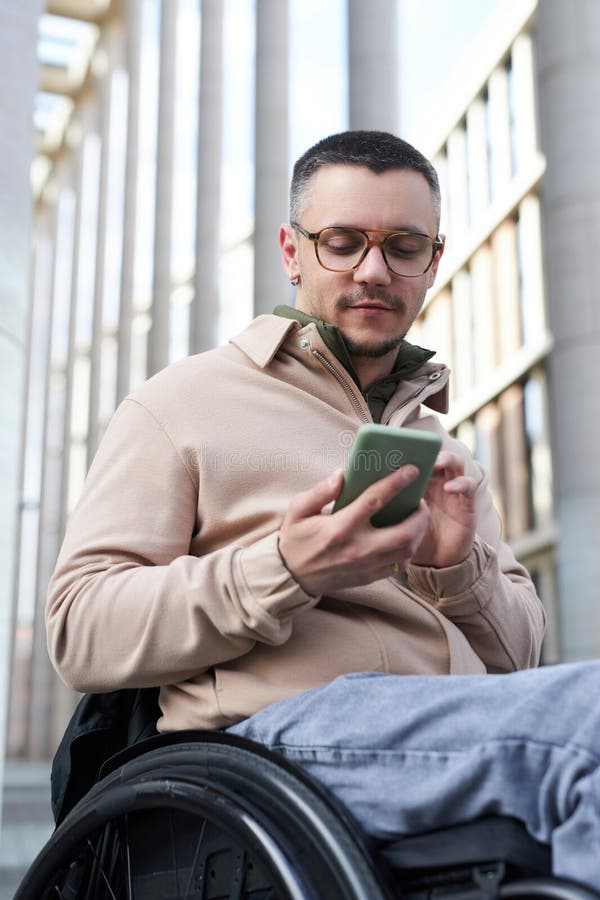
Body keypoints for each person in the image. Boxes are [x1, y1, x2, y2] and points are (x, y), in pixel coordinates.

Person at [46, 130, 600, 891]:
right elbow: (80, 629)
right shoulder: (182, 402)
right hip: (274, 754)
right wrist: (286, 567)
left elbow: (517, 662)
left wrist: (455, 569)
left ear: (433, 263)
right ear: (292, 249)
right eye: (342, 241)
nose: (373, 270)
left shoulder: (438, 446)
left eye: (404, 246)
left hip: (445, 738)